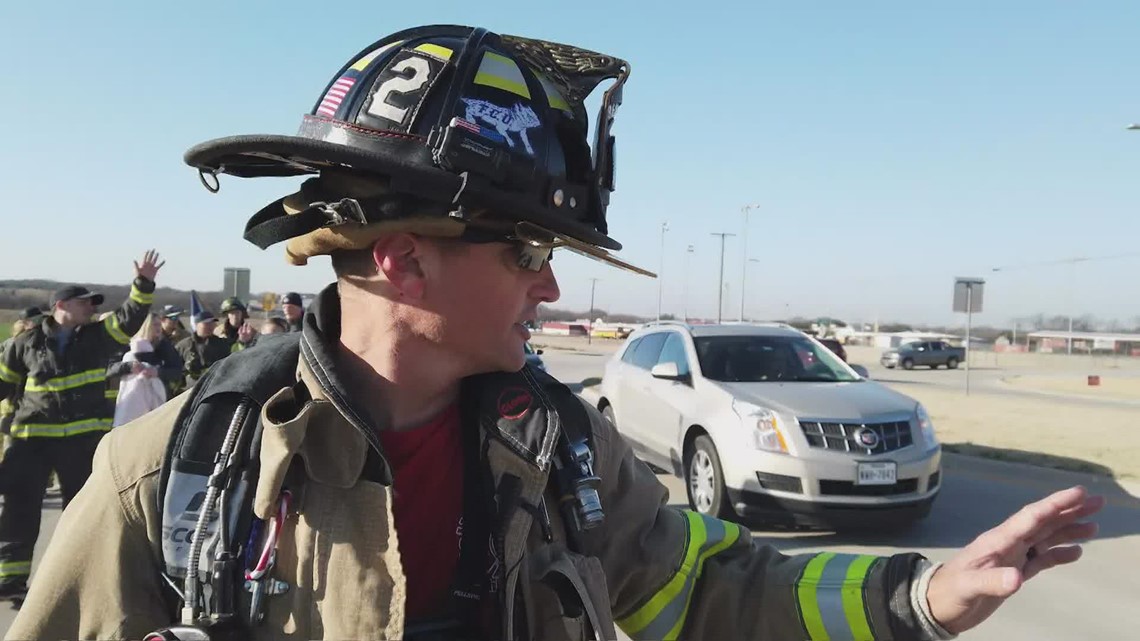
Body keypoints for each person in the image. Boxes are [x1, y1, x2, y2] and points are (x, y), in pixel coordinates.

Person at [7, 26, 1103, 641]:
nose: (550, 288)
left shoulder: (567, 452)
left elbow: (717, 586)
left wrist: (927, 594)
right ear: (403, 256)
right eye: (527, 251)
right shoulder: (167, 479)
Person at [0, 251, 161, 602]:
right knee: (18, 508)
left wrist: (143, 285)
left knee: (83, 512)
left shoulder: (97, 337)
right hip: (31, 440)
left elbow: (129, 318)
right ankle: (10, 579)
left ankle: (77, 582)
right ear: (61, 305)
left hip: (82, 442)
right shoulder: (24, 344)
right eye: (84, 302)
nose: (91, 307)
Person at [111, 313, 184, 426]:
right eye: (154, 325)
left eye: (159, 324)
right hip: (131, 402)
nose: (159, 328)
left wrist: (157, 372)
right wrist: (129, 366)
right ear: (146, 326)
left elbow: (177, 372)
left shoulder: (165, 347)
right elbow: (110, 368)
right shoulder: (128, 346)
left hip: (159, 402)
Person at [175, 308, 230, 385]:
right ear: (197, 325)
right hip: (190, 389)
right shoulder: (184, 345)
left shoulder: (222, 344)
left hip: (216, 386)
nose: (210, 326)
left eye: (212, 323)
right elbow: (175, 369)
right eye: (206, 323)